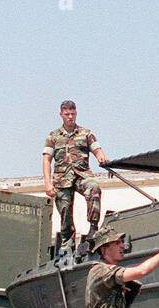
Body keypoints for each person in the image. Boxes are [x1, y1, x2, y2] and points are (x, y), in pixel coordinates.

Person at [44, 100, 111, 249]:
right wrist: (48, 183)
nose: (70, 117)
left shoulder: (85, 133)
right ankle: (67, 243)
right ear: (61, 115)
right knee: (65, 210)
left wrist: (101, 156)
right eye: (67, 114)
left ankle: (93, 227)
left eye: (72, 114)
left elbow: (97, 149)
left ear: (76, 113)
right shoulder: (53, 136)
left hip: (82, 176)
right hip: (62, 180)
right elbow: (46, 160)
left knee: (93, 187)